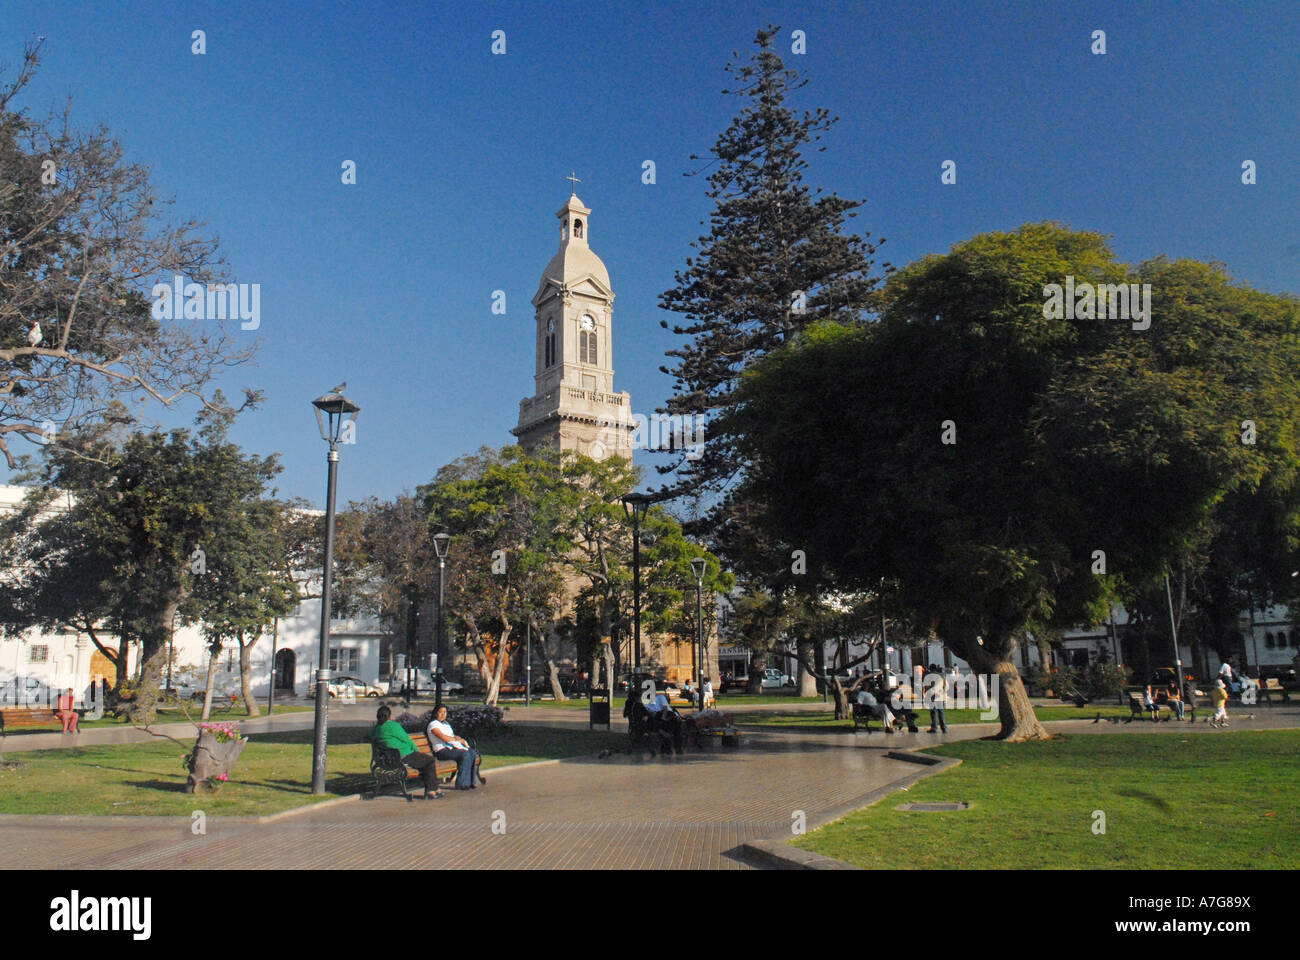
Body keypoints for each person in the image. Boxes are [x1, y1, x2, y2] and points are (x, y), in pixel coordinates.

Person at [371, 704, 443, 799]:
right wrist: (416, 750)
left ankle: (434, 788)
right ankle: (431, 791)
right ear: (389, 716)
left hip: (388, 760)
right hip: (404, 756)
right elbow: (407, 739)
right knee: (429, 761)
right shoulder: (393, 726)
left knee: (424, 763)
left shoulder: (376, 729)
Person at [427, 704, 484, 789]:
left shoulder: (446, 724)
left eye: (445, 712)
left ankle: (471, 782)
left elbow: (452, 736)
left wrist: (459, 739)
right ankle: (461, 784)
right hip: (442, 751)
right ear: (436, 713)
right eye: (440, 712)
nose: (443, 714)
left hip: (452, 748)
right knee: (464, 754)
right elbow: (443, 737)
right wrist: (456, 739)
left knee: (472, 752)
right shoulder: (433, 725)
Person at [925, 665, 948, 733]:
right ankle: (944, 728)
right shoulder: (942, 676)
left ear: (930, 669)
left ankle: (934, 728)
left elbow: (927, 687)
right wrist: (941, 693)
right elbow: (946, 686)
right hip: (940, 697)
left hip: (933, 696)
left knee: (933, 712)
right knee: (941, 712)